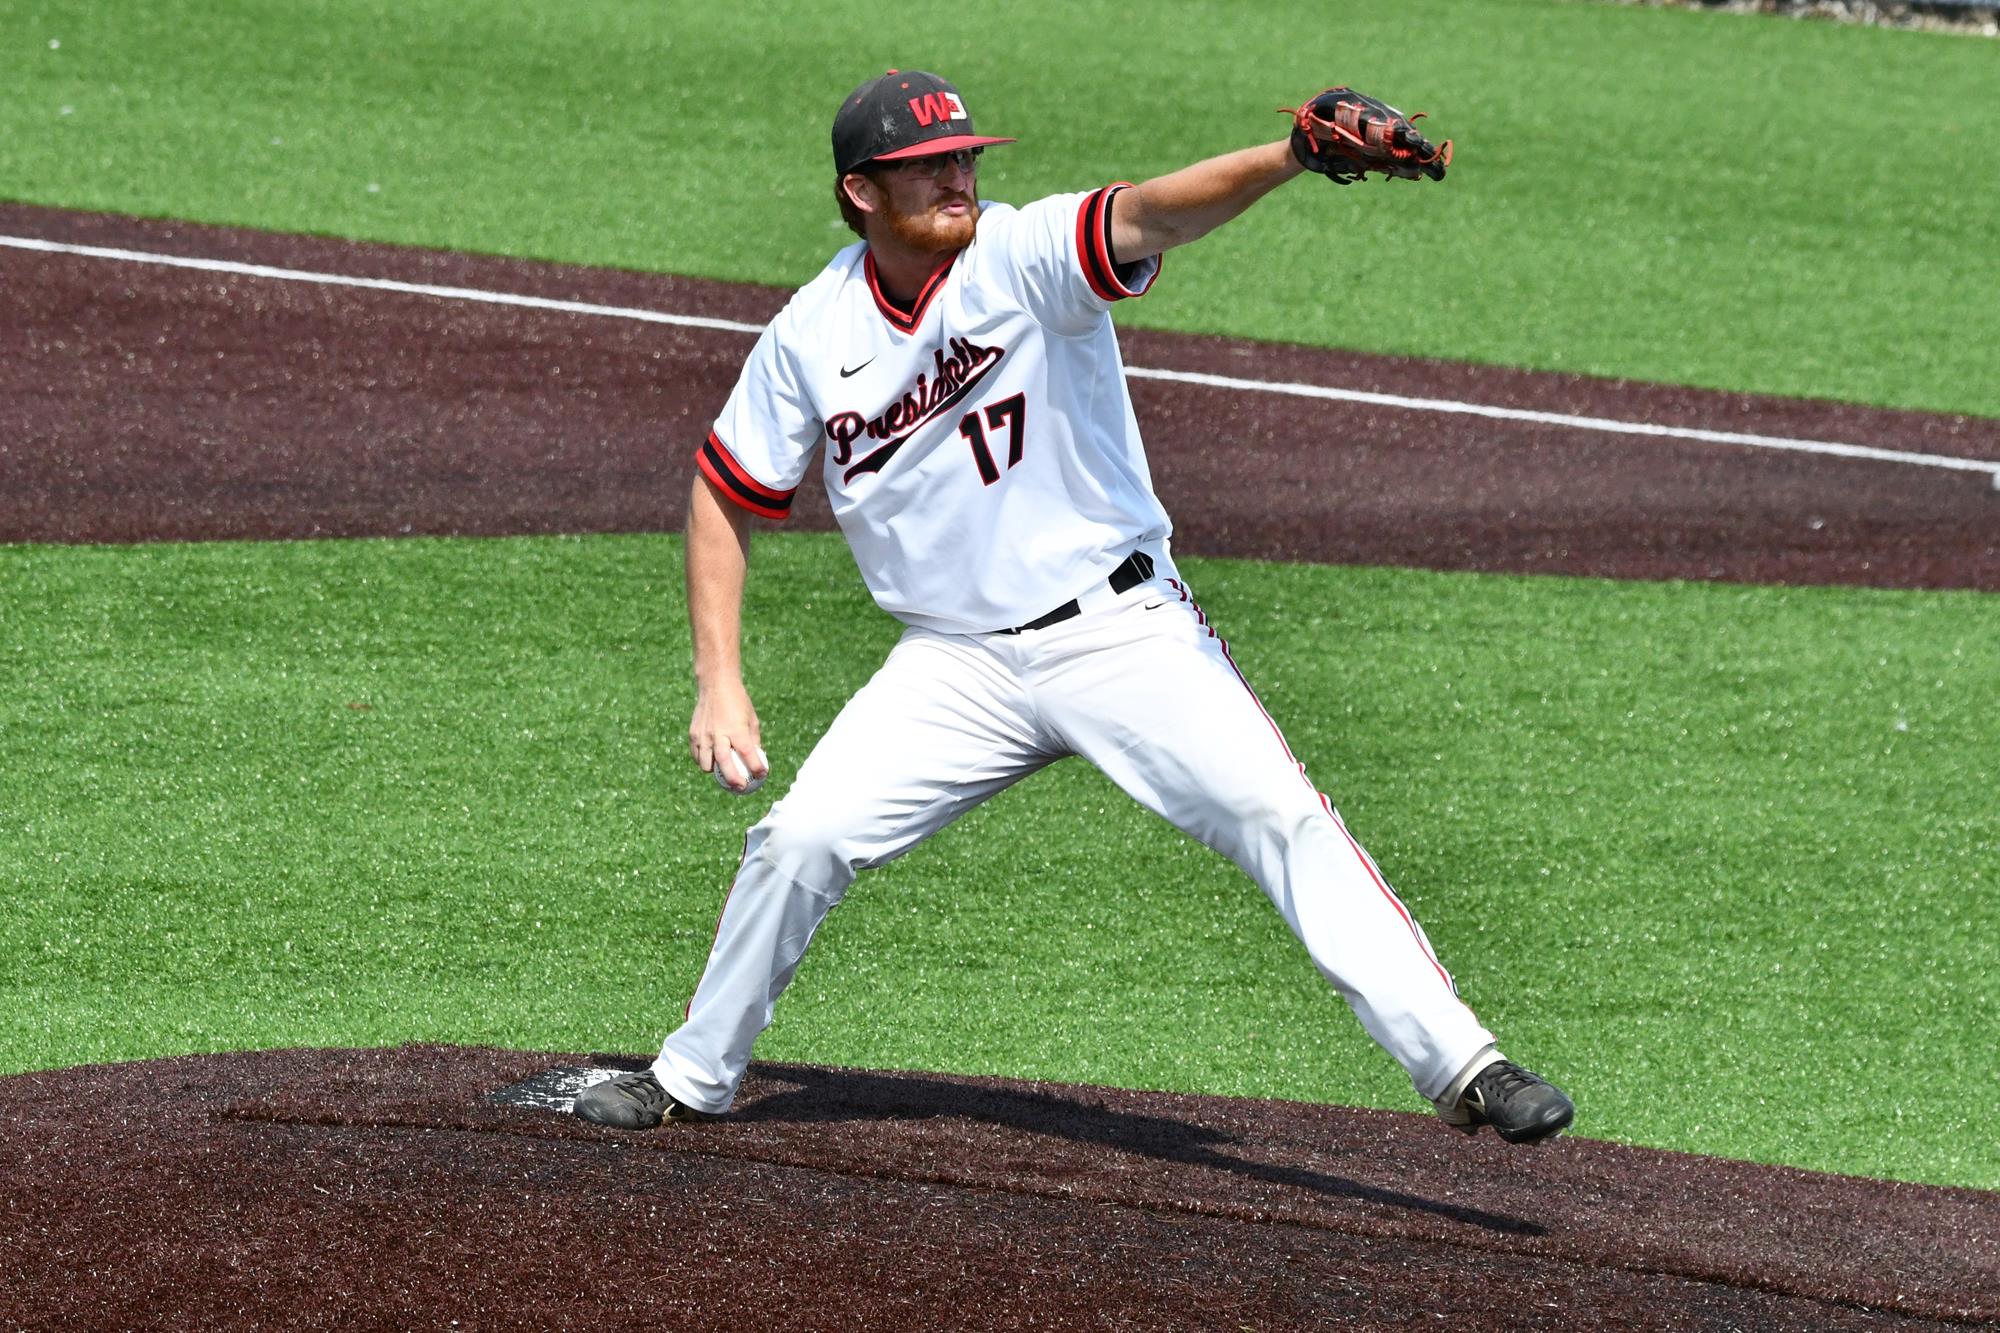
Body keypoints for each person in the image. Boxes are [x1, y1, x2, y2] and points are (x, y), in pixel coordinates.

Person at [575, 70, 1574, 1144]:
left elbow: (1147, 211)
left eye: (964, 157)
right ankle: (692, 1075)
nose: (959, 176)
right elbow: (723, 493)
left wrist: (1287, 157)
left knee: (1275, 814)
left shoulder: (1020, 251)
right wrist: (718, 680)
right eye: (928, 167)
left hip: (1118, 632)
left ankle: (1466, 1063)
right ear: (862, 192)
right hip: (953, 664)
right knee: (799, 839)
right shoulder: (810, 335)